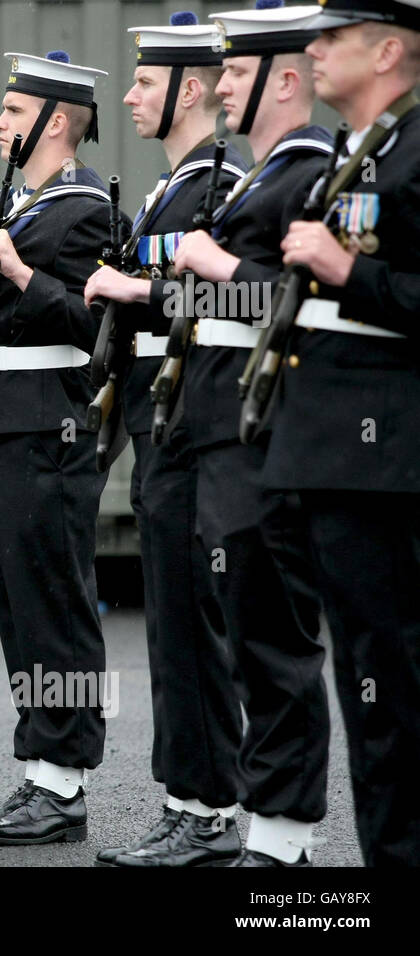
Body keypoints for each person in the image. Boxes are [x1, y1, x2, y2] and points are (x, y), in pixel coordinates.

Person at [135, 2, 332, 866]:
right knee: (235, 622)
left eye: (241, 75)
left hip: (261, 427)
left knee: (270, 636)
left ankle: (285, 839)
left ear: (284, 82)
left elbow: (304, 307)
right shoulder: (256, 177)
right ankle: (226, 816)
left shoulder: (306, 171)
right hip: (211, 421)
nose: (223, 88)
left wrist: (220, 269)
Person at [81, 13, 249, 866]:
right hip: (157, 425)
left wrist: (132, 289)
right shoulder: (169, 188)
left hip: (192, 427)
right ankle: (188, 800)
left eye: (145, 83)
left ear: (188, 88)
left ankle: (208, 809)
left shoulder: (222, 182)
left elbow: (243, 303)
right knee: (173, 627)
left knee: (191, 625)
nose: (131, 94)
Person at [263, 0, 420, 867]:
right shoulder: (368, 153)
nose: (313, 50)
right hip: (336, 456)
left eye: (333, 37)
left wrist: (345, 270)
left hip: (386, 462)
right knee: (372, 695)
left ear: (388, 50)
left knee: (395, 692)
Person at [0, 50, 121, 846]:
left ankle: (66, 782)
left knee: (54, 602)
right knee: (18, 605)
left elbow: (99, 330)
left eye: (13, 114)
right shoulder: (24, 201)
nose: (1, 126)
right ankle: (39, 774)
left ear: (56, 122)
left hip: (48, 425)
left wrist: (20, 274)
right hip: (4, 422)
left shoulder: (83, 208)